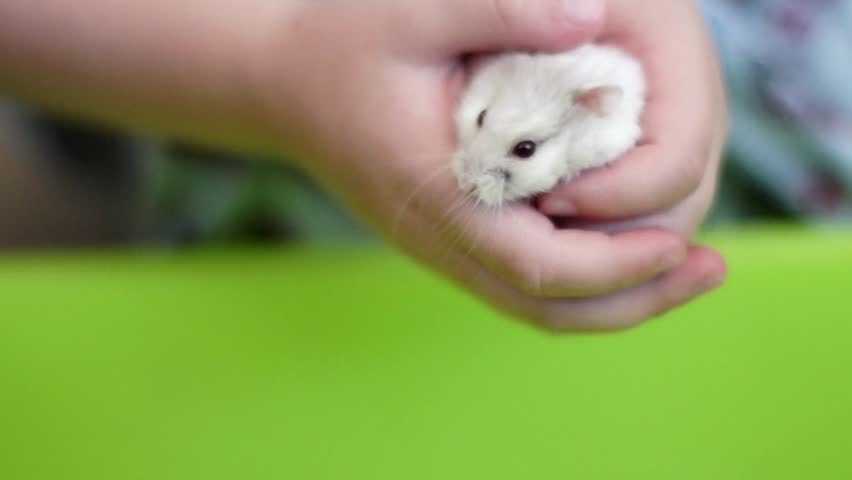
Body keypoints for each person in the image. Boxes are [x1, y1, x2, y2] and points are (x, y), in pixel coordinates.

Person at [0, 0, 728, 331]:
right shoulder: (497, 108)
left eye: (525, 150)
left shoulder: (588, 100)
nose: (471, 167)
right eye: (478, 125)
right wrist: (283, 62)